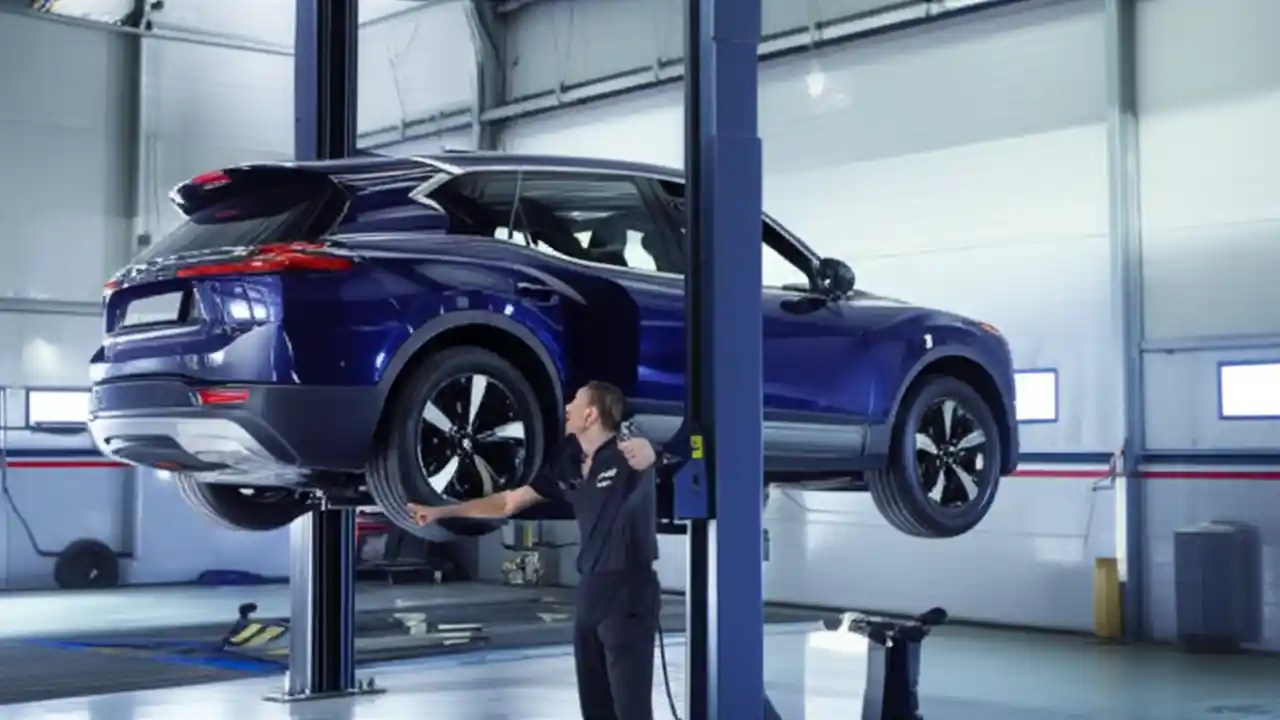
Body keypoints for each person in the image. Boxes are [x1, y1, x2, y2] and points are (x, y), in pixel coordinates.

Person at [408, 380, 663, 720]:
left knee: (632, 712)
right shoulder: (569, 464)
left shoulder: (628, 454)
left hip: (628, 590)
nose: (567, 407)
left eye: (575, 401)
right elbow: (507, 503)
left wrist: (654, 452)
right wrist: (442, 512)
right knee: (596, 710)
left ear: (590, 415)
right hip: (591, 592)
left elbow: (680, 452)